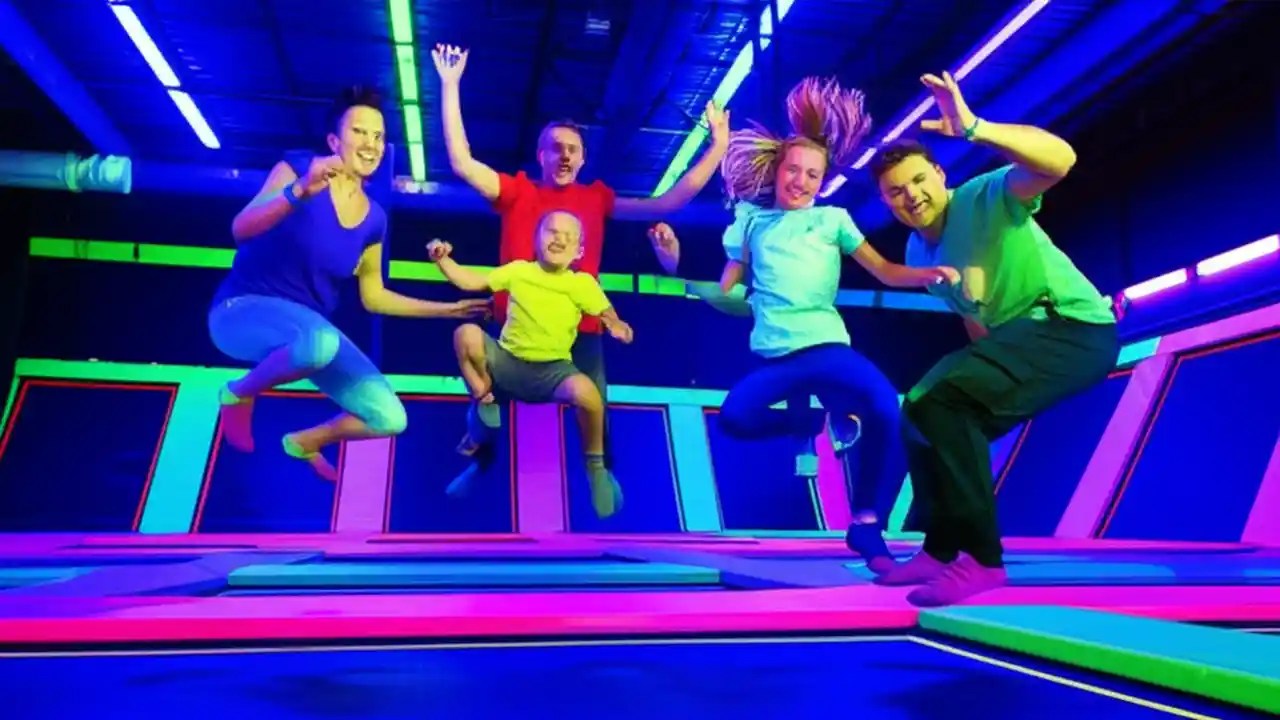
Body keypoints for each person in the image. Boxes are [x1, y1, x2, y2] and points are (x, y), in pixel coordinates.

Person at [431, 43, 728, 497]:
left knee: (595, 403)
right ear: (541, 156)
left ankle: (601, 474)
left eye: (573, 150)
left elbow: (669, 202)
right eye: (556, 148)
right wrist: (450, 85)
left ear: (584, 159)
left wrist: (719, 146)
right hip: (515, 326)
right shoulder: (517, 192)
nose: (565, 156)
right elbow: (462, 163)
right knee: (486, 402)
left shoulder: (596, 199)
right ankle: (479, 460)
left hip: (578, 332)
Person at [870, 72, 1120, 606]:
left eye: (919, 180)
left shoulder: (984, 197)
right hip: (1019, 340)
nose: (911, 195)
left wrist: (975, 127)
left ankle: (982, 560)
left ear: (940, 175)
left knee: (937, 402)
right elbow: (974, 320)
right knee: (920, 414)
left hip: (1073, 329)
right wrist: (973, 374)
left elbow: (1060, 161)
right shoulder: (918, 253)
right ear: (887, 203)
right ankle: (940, 549)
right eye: (896, 191)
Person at [713, 77, 958, 572]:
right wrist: (675, 261)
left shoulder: (833, 220)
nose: (801, 181)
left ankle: (866, 522)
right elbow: (726, 287)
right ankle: (809, 422)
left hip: (827, 347)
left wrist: (928, 273)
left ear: (822, 181)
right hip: (777, 356)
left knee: (886, 408)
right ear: (777, 170)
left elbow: (884, 270)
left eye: (813, 174)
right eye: (793, 170)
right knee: (735, 417)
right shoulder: (751, 222)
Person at [209, 86, 487, 480]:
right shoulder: (297, 168)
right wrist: (299, 191)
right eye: (360, 132)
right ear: (334, 141)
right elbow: (241, 229)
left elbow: (374, 297)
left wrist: (451, 310)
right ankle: (237, 393)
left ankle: (307, 441)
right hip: (239, 314)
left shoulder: (374, 218)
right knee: (319, 343)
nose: (371, 144)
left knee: (389, 416)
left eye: (378, 136)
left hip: (307, 337)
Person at [427, 210, 634, 517]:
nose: (559, 239)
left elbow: (609, 314)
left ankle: (596, 468)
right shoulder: (519, 271)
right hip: (506, 362)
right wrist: (442, 260)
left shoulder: (582, 284)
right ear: (536, 240)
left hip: (553, 371)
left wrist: (619, 327)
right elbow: (472, 281)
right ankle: (483, 395)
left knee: (589, 394)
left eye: (568, 236)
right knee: (466, 334)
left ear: (579, 252)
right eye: (552, 232)